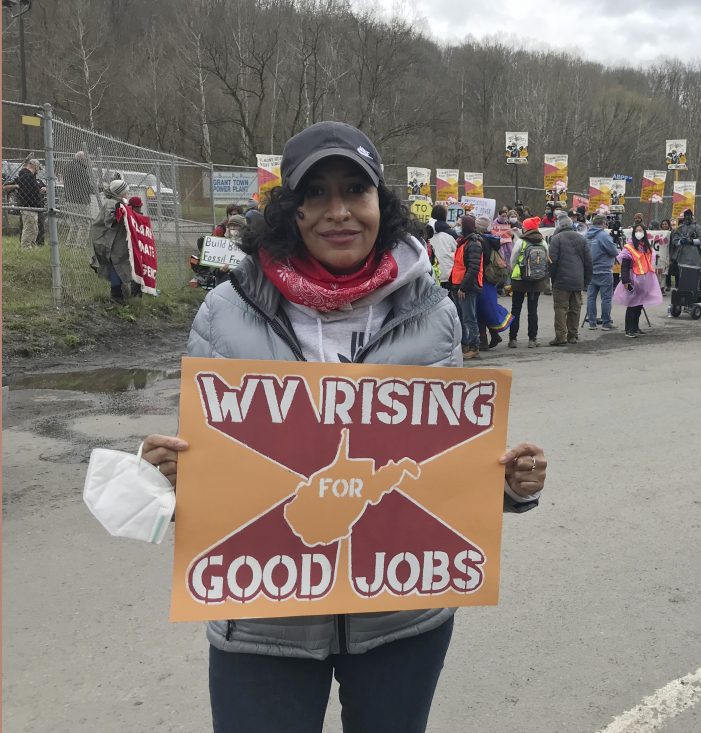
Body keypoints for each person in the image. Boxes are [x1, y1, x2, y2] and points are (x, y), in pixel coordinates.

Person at [139, 121, 547, 733]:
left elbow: (440, 467)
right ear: (291, 211)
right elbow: (209, 469)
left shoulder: (433, 316)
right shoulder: (226, 312)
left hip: (399, 620)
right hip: (261, 622)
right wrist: (166, 476)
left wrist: (510, 486)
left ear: (380, 203)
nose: (339, 212)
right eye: (316, 194)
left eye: (356, 191)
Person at [547, 210, 592, 345]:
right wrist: (586, 280)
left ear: (559, 226)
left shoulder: (556, 239)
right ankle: (573, 335)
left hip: (561, 280)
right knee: (575, 309)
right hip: (577, 280)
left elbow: (552, 261)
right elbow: (588, 261)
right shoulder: (581, 238)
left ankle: (560, 337)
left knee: (561, 309)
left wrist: (553, 278)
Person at [89, 178, 135, 301]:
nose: (127, 194)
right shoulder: (111, 204)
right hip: (109, 241)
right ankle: (116, 294)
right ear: (119, 193)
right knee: (116, 265)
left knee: (121, 266)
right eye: (126, 192)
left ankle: (123, 293)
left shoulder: (121, 203)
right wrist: (119, 214)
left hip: (116, 241)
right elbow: (110, 221)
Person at [614, 223, 662, 337]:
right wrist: (626, 281)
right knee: (632, 305)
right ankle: (628, 329)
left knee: (639, 305)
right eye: (637, 230)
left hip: (645, 279)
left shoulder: (646, 247)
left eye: (641, 230)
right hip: (633, 278)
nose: (639, 233)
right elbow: (624, 266)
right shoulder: (629, 247)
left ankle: (635, 327)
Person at [508, 216, 549, 348]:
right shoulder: (543, 242)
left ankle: (513, 339)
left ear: (527, 228)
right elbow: (546, 259)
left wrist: (513, 270)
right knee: (533, 310)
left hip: (520, 279)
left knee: (516, 309)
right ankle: (532, 339)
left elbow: (513, 259)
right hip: (536, 279)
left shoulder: (521, 241)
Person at [473, 216, 512, 351]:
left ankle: (484, 340)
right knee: (487, 307)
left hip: (481, 277)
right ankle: (493, 335)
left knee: (480, 309)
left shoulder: (480, 241)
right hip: (490, 278)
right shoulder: (492, 239)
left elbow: (477, 261)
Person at [451, 216, 484, 359]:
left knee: (469, 318)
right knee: (460, 317)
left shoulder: (473, 244)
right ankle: (464, 344)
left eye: (459, 225)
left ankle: (474, 346)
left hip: (467, 287)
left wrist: (463, 287)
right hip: (458, 285)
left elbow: (473, 269)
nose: (457, 227)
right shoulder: (463, 242)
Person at [585, 214, 618, 331]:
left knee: (591, 297)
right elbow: (613, 251)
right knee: (606, 298)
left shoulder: (586, 235)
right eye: (606, 223)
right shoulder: (603, 235)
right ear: (602, 223)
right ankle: (606, 322)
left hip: (590, 270)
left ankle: (592, 322)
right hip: (604, 269)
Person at [3, 159, 45, 248]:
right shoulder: (26, 176)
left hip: (33, 207)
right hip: (28, 206)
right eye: (38, 168)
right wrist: (16, 186)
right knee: (29, 229)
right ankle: (25, 247)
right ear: (34, 165)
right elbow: (6, 187)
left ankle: (32, 245)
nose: (38, 170)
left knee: (34, 229)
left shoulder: (30, 177)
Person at [61, 150, 97, 220]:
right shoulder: (81, 169)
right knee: (84, 225)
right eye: (85, 159)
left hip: (69, 199)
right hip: (81, 201)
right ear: (81, 158)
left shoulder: (67, 166)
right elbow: (86, 185)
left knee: (74, 225)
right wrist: (96, 190)